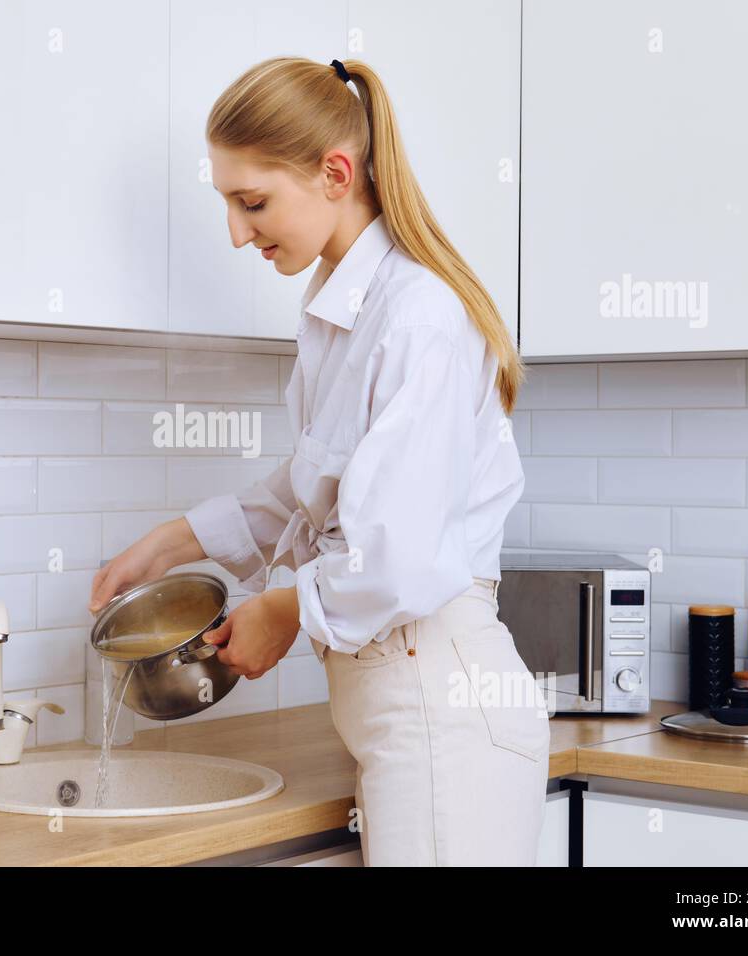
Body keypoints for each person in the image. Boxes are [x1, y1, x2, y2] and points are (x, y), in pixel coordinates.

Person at [88, 56, 549, 866]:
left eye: (252, 201)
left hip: (444, 708)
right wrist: (173, 542)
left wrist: (283, 610)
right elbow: (321, 490)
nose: (236, 231)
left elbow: (396, 554)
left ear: (336, 173)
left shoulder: (419, 318)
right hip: (405, 708)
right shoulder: (340, 310)